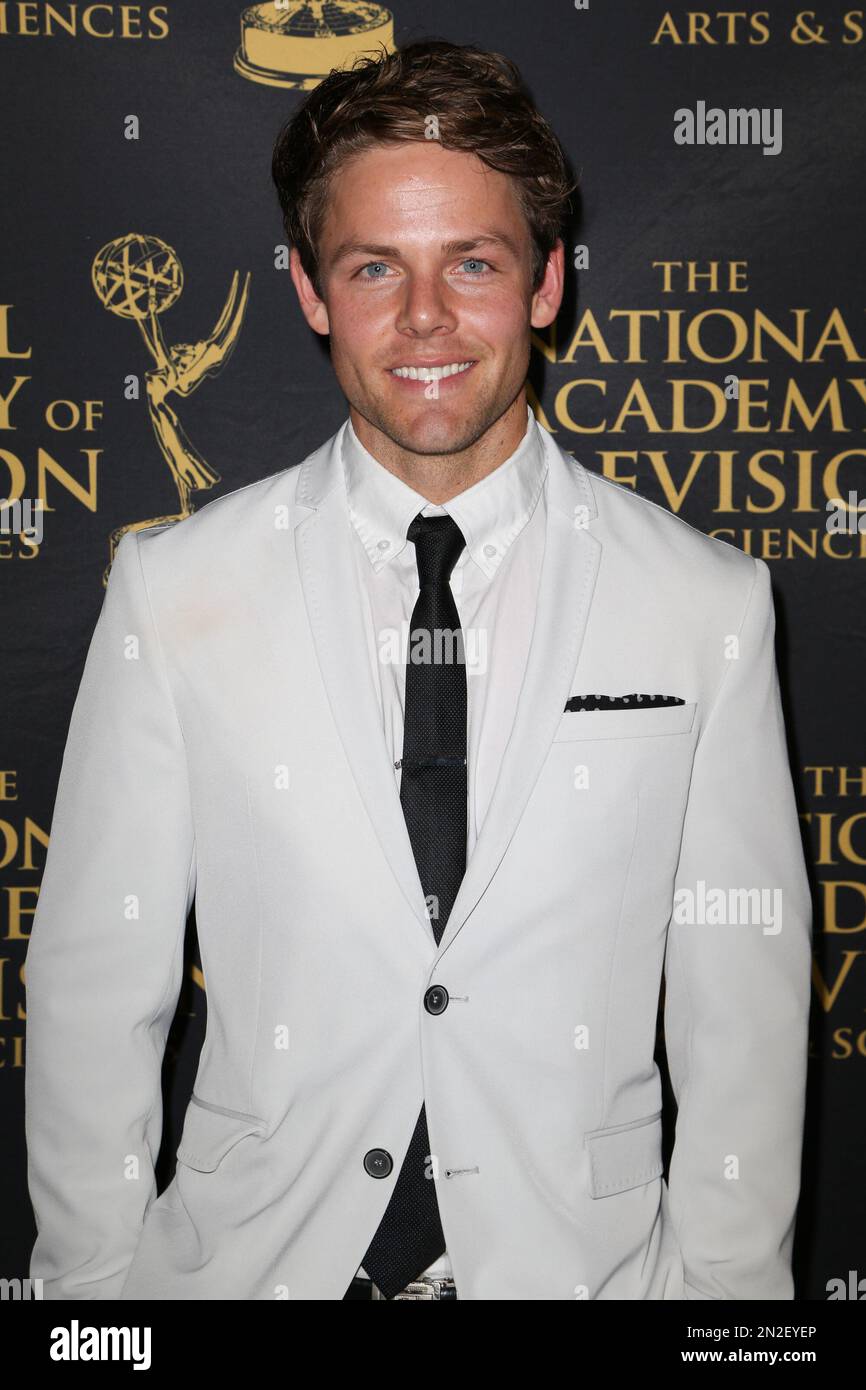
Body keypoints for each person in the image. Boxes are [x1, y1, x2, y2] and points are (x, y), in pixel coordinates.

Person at [25, 38, 811, 1301]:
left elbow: (744, 1017)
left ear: (547, 284)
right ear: (309, 290)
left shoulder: (702, 604)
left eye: (475, 264)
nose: (427, 320)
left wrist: (723, 1311)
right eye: (375, 267)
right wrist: (92, 1305)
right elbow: (91, 984)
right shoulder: (174, 591)